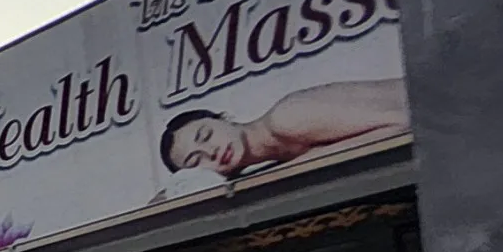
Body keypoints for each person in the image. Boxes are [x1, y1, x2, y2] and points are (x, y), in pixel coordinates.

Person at [159, 78, 408, 179]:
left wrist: (306, 163)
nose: (211, 152)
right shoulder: (269, 164)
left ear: (224, 118)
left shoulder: (286, 118)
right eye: (196, 161)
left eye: (206, 135)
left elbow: (405, 124)